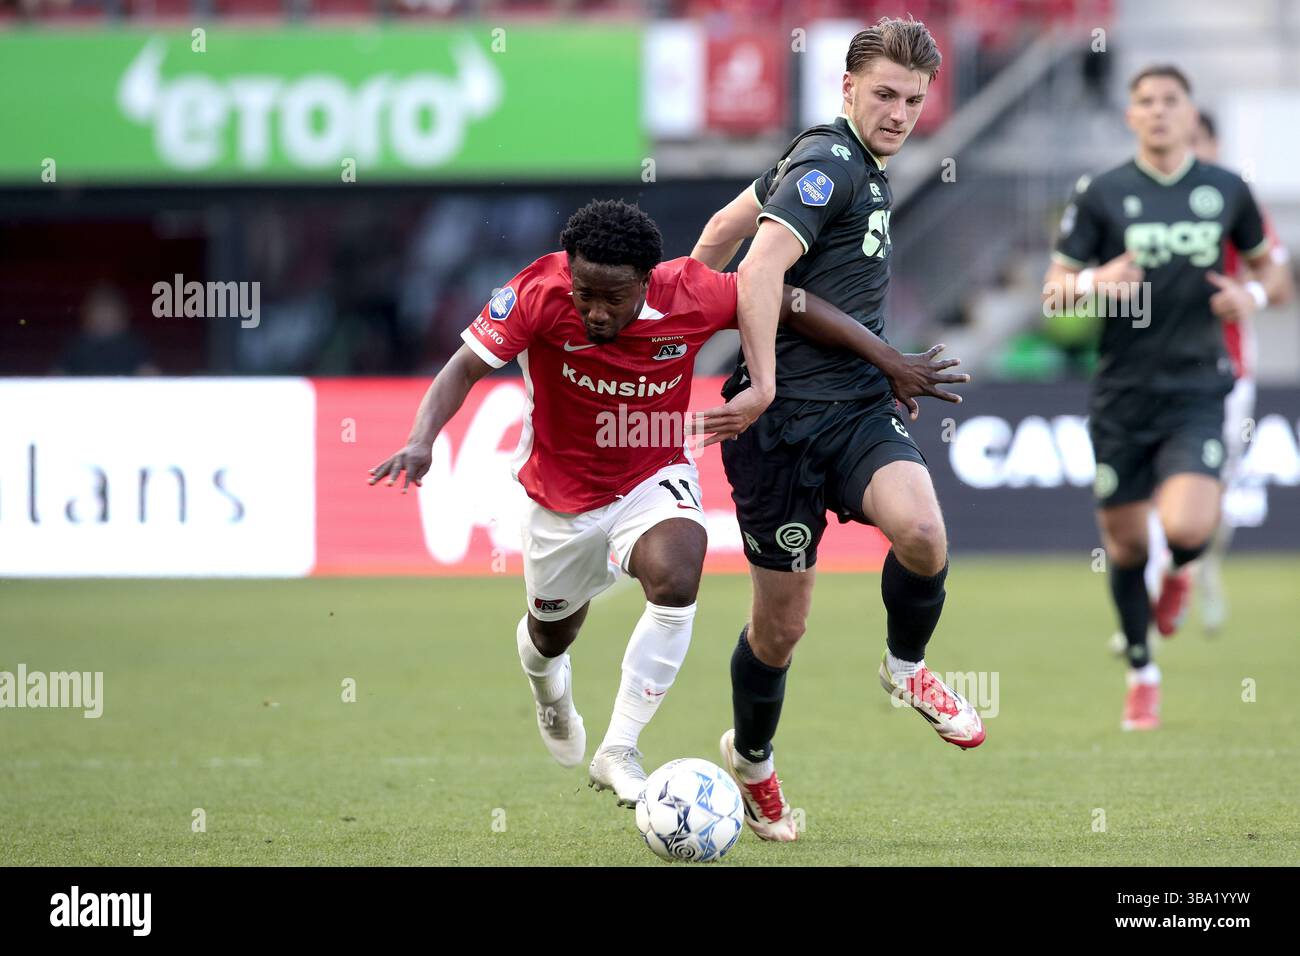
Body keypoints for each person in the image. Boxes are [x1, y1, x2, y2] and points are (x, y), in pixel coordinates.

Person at [370, 199, 968, 805]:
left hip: (652, 473)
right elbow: (462, 368)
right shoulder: (535, 292)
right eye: (585, 294)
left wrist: (888, 358)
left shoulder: (690, 293)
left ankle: (619, 748)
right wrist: (421, 441)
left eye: (614, 298)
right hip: (561, 496)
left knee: (678, 573)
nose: (596, 312)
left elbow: (787, 301)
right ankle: (548, 688)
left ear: (647, 281)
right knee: (553, 634)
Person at [690, 17, 984, 843]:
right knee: (780, 629)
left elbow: (718, 236)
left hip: (854, 410)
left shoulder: (824, 155)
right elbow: (758, 269)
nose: (898, 112)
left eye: (913, 100)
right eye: (883, 94)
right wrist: (761, 380)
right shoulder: (828, 163)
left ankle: (906, 668)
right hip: (779, 427)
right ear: (847, 88)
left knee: (923, 532)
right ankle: (751, 761)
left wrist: (672, 324)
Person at [1043, 66, 1290, 730]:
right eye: (1144, 102)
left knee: (1185, 525)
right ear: (1130, 117)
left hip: (1198, 385)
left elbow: (1277, 271)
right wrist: (1098, 278)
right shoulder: (1102, 193)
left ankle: (1180, 568)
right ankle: (1142, 673)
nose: (1157, 112)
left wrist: (1254, 297)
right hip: (1122, 394)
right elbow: (1054, 290)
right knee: (1124, 547)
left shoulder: (1227, 191)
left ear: (1190, 117)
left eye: (1169, 102)